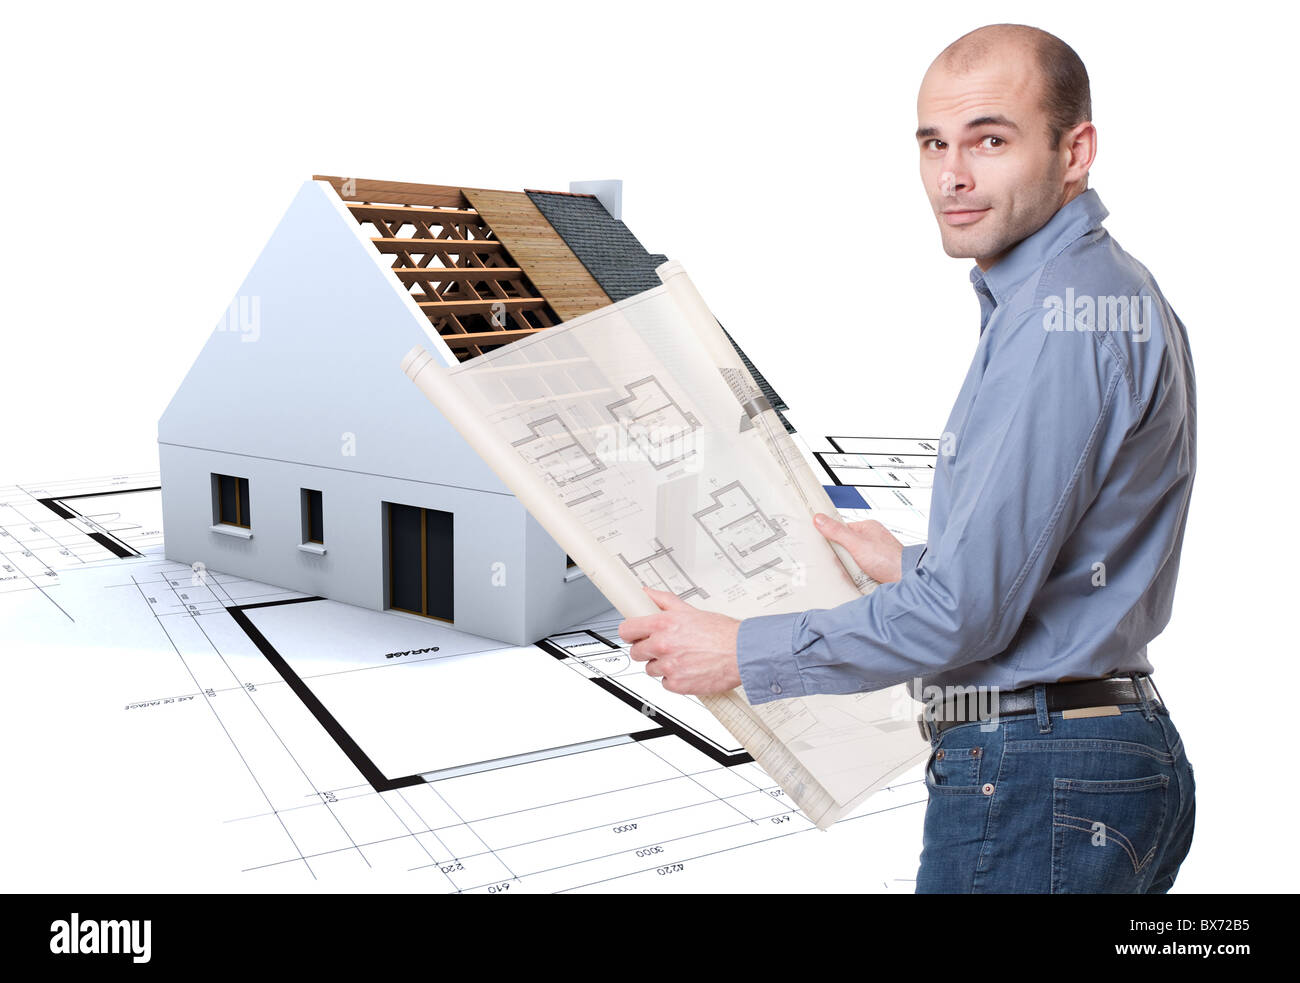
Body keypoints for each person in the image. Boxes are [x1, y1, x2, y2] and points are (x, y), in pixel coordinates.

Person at [617, 23, 1197, 894]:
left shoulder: (1057, 320)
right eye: (934, 144)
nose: (952, 176)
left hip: (1040, 770)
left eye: (990, 140)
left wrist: (743, 650)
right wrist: (914, 563)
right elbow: (1054, 558)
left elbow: (966, 617)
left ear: (1075, 151)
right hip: (1090, 760)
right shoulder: (1102, 290)